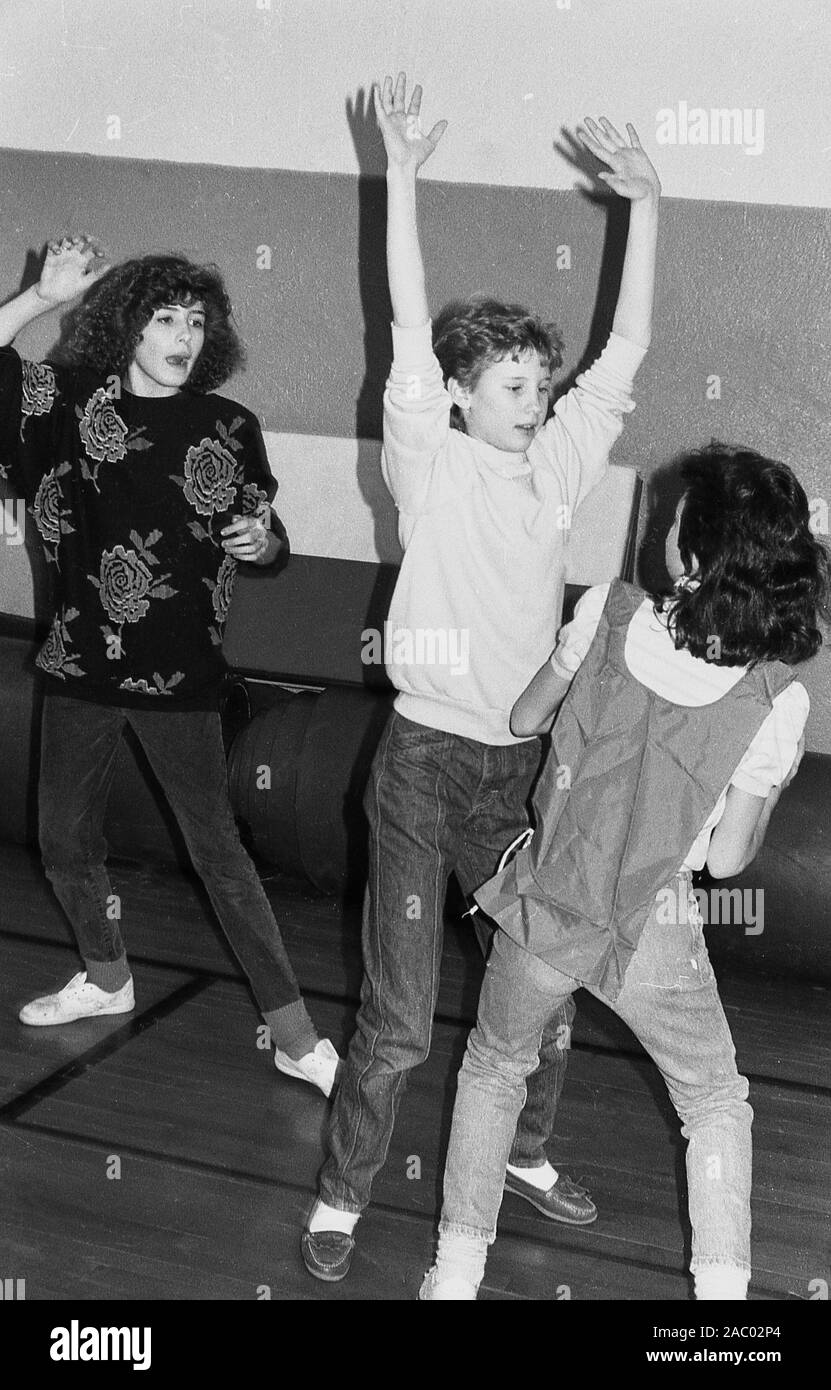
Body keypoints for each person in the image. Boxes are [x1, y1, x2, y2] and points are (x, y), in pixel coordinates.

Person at [302, 73, 661, 1282]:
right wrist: (400, 173)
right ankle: (346, 1196)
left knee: (541, 1002)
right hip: (419, 763)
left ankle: (527, 1148)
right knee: (399, 1022)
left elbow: (629, 348)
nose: (539, 400)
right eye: (515, 385)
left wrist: (648, 204)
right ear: (460, 391)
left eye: (541, 387)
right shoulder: (430, 464)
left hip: (520, 770)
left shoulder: (556, 470)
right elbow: (402, 323)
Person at [420, 444, 830, 1300]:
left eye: (679, 514)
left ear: (691, 548)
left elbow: (525, 714)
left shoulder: (607, 609)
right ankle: (720, 1314)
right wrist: (769, 777)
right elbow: (724, 861)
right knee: (714, 1100)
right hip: (656, 923)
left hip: (546, 898)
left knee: (495, 1068)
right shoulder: (776, 696)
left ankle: (453, 1280)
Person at [0, 238, 338, 1096]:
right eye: (164, 317)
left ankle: (294, 1033)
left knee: (218, 854)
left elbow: (265, 539)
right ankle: (108, 977)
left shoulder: (229, 427)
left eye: (196, 320)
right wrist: (40, 297)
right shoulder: (69, 404)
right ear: (126, 327)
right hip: (79, 664)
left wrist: (263, 541)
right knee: (65, 841)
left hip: (180, 675)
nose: (184, 335)